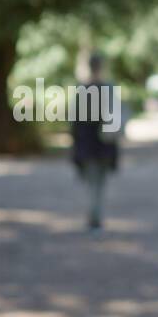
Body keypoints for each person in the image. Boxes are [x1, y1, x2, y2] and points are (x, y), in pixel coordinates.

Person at [70, 53, 120, 232]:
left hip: (87, 146)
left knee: (93, 184)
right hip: (104, 146)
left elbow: (74, 123)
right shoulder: (109, 89)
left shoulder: (81, 90)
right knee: (99, 184)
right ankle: (95, 218)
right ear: (101, 66)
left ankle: (94, 218)